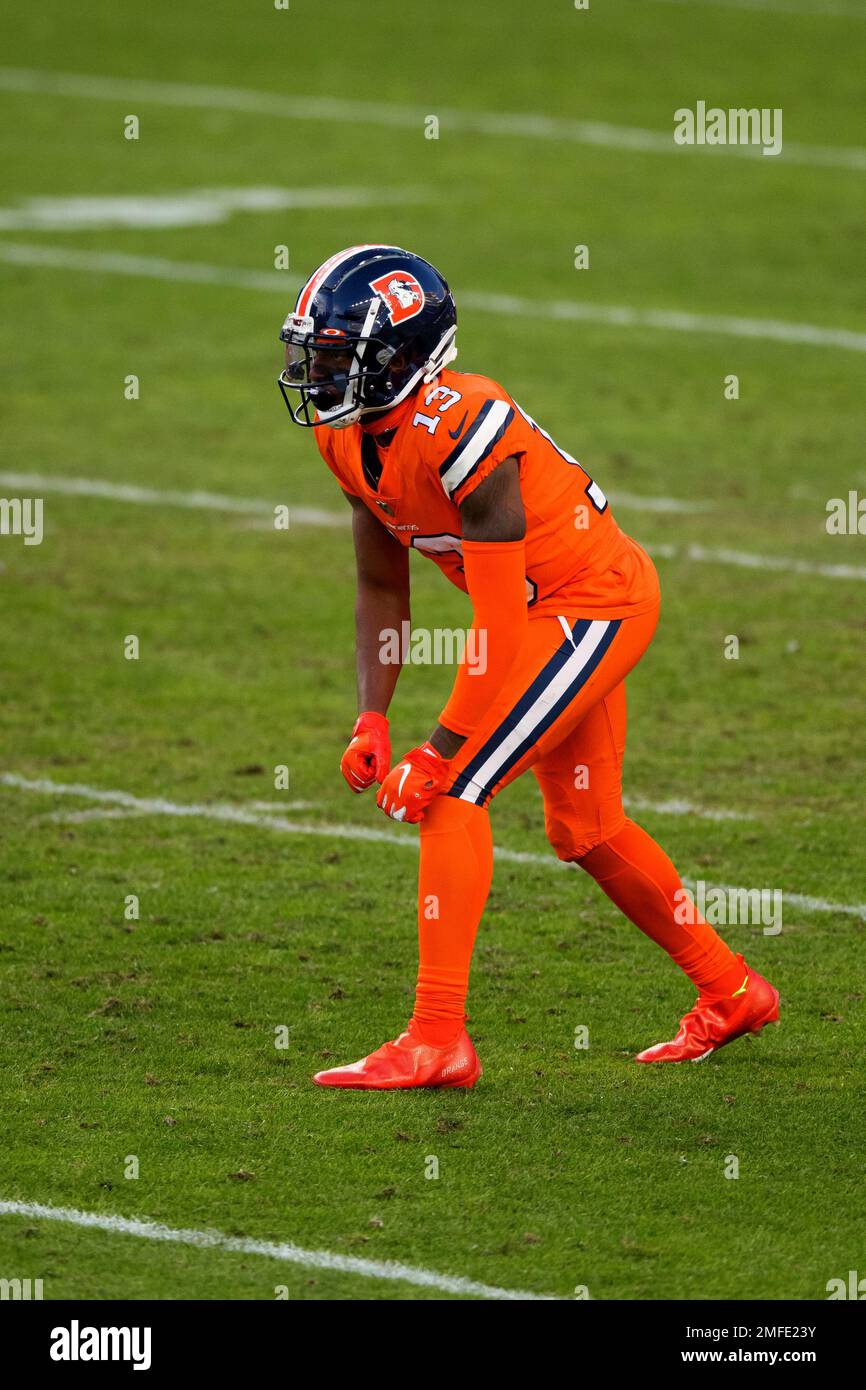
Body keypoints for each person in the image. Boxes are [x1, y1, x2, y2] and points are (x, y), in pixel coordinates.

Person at [277, 244, 779, 1090]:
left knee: (453, 790)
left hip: (590, 602)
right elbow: (378, 582)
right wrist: (373, 715)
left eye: (338, 356)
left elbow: (501, 621)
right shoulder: (345, 438)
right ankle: (732, 990)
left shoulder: (466, 426)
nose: (317, 371)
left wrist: (436, 748)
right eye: (314, 351)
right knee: (585, 827)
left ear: (401, 358)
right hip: (550, 611)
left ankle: (437, 1037)